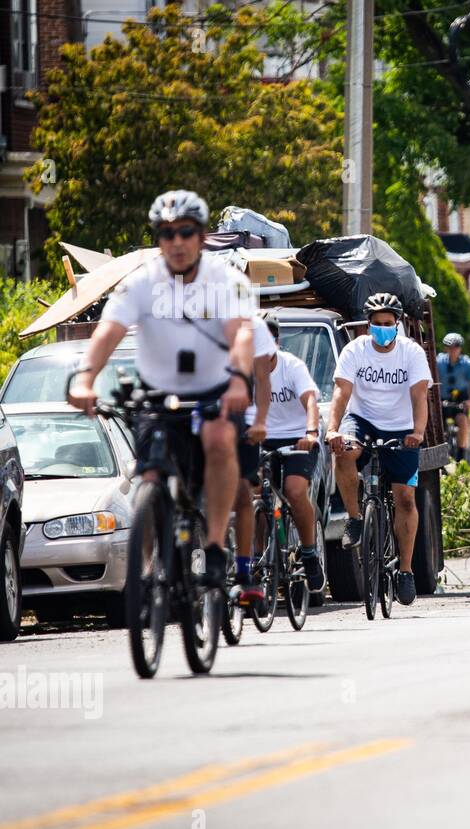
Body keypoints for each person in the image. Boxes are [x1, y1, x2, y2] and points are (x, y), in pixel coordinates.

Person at [67, 190, 254, 587]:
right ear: (158, 239)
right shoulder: (139, 283)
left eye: (186, 232)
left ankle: (218, 544)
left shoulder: (227, 281)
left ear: (202, 237)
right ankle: (148, 569)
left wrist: (238, 379)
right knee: (149, 476)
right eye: (167, 233)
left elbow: (241, 336)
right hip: (158, 393)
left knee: (221, 440)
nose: (177, 242)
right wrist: (84, 377)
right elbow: (107, 333)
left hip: (215, 389)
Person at [326, 292, 432, 606]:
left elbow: (418, 396)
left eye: (388, 324)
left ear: (397, 324)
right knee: (343, 451)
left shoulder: (411, 353)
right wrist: (333, 429)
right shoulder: (354, 351)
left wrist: (417, 431)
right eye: (377, 324)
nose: (383, 329)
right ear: (368, 325)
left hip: (401, 426)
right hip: (362, 419)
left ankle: (405, 570)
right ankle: (355, 517)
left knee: (405, 498)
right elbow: (341, 393)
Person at [242, 316, 326, 592]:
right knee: (253, 491)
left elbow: (311, 401)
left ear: (276, 343)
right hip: (262, 438)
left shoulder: (292, 366)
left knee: (295, 491)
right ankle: (255, 555)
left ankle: (310, 553)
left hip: (297, 437)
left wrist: (311, 433)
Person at [232, 314, 282, 604]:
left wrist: (259, 421)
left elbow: (262, 384)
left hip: (249, 424)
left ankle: (245, 567)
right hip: (207, 416)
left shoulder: (253, 332)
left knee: (247, 490)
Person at [436, 332, 470, 462]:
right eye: (450, 347)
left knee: (463, 422)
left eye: (456, 347)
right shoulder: (438, 362)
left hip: (460, 401)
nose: (453, 350)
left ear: (460, 348)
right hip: (441, 401)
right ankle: (438, 452)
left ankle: (460, 454)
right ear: (445, 348)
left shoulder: (467, 364)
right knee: (436, 426)